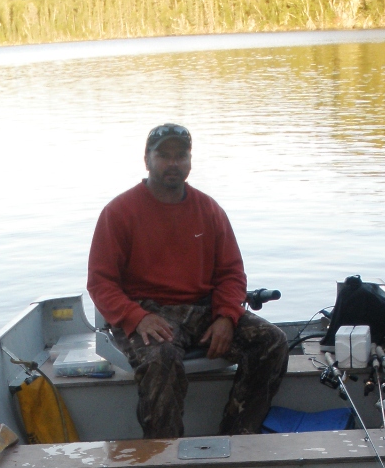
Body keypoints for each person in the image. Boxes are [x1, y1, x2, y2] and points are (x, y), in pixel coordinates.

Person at [87, 123, 288, 439]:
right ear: (147, 159)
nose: (173, 163)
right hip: (147, 312)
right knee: (161, 358)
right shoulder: (119, 212)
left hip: (202, 309)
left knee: (272, 342)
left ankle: (239, 437)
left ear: (190, 161)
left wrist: (226, 316)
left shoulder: (209, 209)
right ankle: (165, 451)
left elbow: (231, 273)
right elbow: (101, 283)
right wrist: (136, 317)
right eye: (163, 155)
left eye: (181, 155)